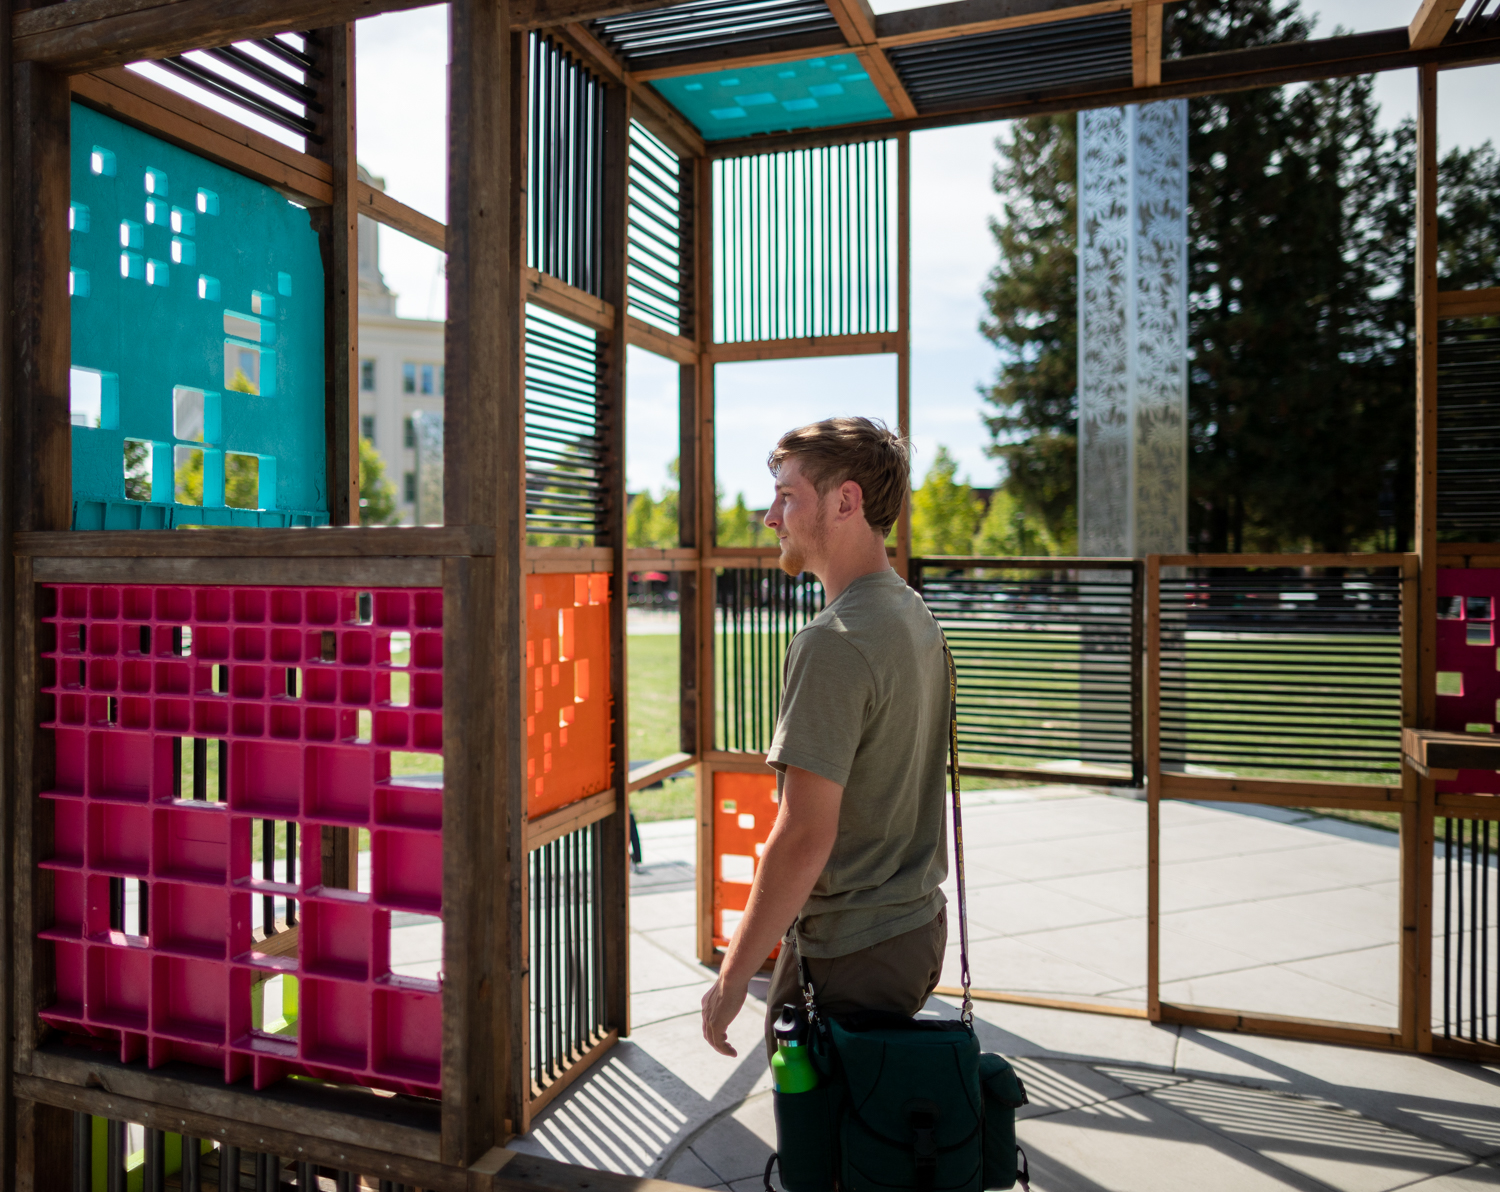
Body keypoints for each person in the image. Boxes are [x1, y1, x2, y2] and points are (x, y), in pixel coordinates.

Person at [700, 416, 950, 1060]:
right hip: (915, 929)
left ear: (846, 501)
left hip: (852, 951)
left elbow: (805, 833)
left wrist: (732, 977)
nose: (769, 515)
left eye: (788, 494)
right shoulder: (913, 612)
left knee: (829, 1153)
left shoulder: (833, 643)